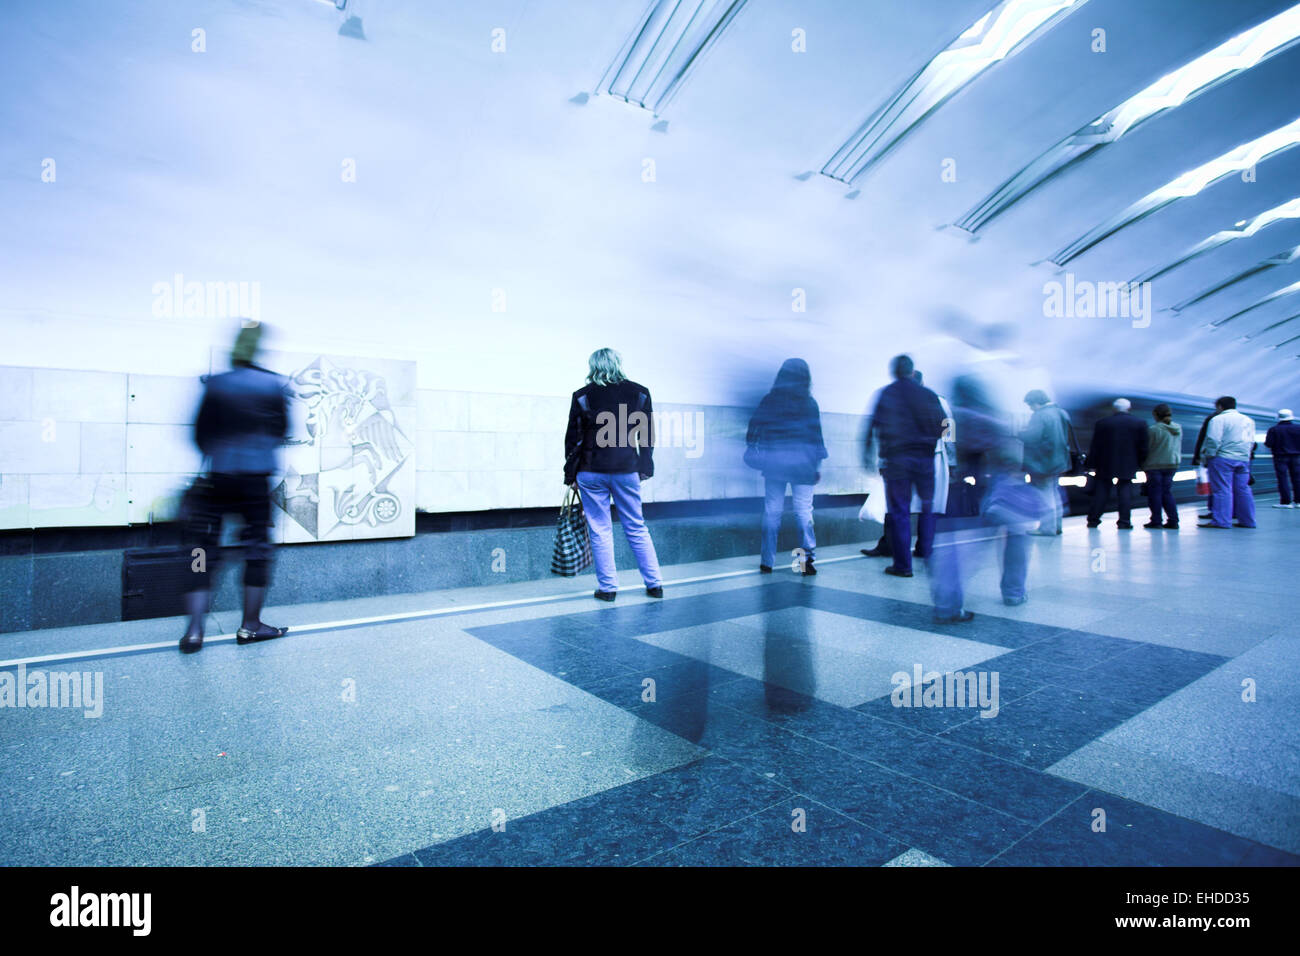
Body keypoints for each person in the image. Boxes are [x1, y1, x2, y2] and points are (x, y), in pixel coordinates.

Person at [180, 322, 290, 653]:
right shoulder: (273, 385)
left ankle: (194, 631)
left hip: (218, 477)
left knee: (201, 550)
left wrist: (221, 452)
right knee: (257, 548)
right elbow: (283, 430)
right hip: (255, 480)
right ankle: (251, 626)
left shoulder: (216, 384)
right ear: (259, 349)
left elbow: (198, 434)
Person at [564, 348, 663, 601]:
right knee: (636, 526)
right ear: (618, 363)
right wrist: (645, 466)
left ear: (593, 366)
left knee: (600, 529)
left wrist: (570, 474)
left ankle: (608, 589)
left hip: (590, 471)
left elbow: (572, 439)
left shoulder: (582, 396)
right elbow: (647, 434)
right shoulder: (639, 393)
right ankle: (655, 585)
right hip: (626, 469)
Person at [746, 359, 828, 574]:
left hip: (775, 464)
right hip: (803, 466)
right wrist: (817, 466)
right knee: (803, 513)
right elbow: (816, 438)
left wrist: (758, 446)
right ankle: (805, 561)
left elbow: (754, 425)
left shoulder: (770, 400)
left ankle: (767, 561)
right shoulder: (810, 404)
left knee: (772, 512)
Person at [860, 369, 952, 558]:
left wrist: (881, 459)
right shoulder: (939, 400)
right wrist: (951, 460)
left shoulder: (897, 399)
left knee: (896, 505)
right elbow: (949, 433)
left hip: (902, 460)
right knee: (927, 507)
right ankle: (923, 548)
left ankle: (892, 548)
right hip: (932, 459)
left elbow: (885, 432)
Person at [1086, 398, 1148, 529]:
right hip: (1128, 463)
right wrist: (1142, 464)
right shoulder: (1139, 423)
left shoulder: (1102, 423)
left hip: (1105, 463)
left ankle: (1093, 520)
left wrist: (1091, 464)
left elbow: (1095, 446)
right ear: (1129, 409)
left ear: (1114, 409)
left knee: (1101, 492)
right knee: (1125, 492)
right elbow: (1143, 447)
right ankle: (1124, 522)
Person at [1200, 396, 1257, 529]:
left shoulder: (1218, 419)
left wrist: (1209, 455)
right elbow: (1251, 441)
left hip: (1223, 458)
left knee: (1222, 490)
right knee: (1243, 490)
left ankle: (1222, 521)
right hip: (1243, 459)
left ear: (1220, 406)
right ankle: (1248, 521)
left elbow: (1213, 439)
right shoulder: (1248, 420)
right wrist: (1246, 455)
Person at [1018, 389, 1070, 535]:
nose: (1030, 408)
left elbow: (1033, 437)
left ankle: (1047, 528)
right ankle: (1057, 526)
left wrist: (1020, 433)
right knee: (1054, 493)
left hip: (1043, 462)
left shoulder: (1040, 415)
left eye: (1030, 405)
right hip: (1058, 461)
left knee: (1044, 495)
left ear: (1036, 402)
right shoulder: (1060, 412)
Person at [1143, 403, 1182, 529]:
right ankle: (1173, 520)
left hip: (1155, 465)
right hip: (1172, 464)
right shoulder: (1178, 428)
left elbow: (1147, 448)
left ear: (1155, 415)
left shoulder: (1154, 430)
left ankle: (1156, 520)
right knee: (1166, 492)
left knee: (1155, 493)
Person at [1191, 402, 1224, 519]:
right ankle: (1229, 511)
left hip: (1215, 458)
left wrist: (1199, 456)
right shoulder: (1242, 419)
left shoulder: (1213, 419)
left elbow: (1204, 438)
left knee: (1215, 486)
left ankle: (1215, 512)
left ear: (1219, 406)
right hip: (1236, 458)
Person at [1265, 409, 1300, 508]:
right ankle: (1298, 501)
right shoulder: (1298, 428)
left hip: (1280, 457)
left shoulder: (1273, 429)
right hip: (1297, 457)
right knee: (1297, 479)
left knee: (1282, 479)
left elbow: (1268, 444)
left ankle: (1286, 502)